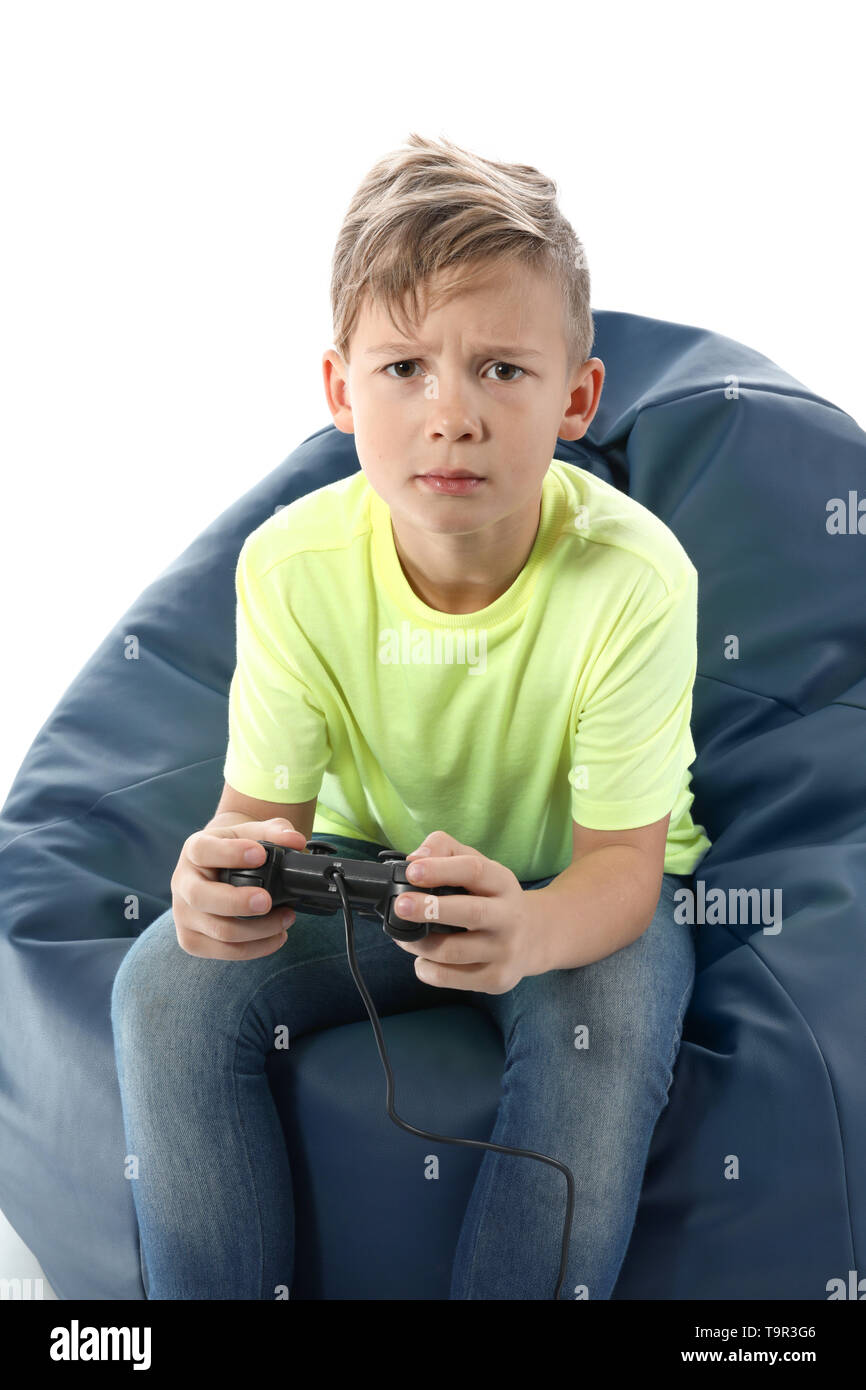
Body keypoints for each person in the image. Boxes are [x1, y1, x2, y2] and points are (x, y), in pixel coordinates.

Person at [110, 131, 712, 1301]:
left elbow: (623, 866)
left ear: (575, 397)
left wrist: (529, 935)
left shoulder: (635, 577)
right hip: (373, 874)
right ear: (339, 389)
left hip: (573, 894)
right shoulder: (291, 564)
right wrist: (222, 883)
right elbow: (264, 825)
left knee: (603, 1041)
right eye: (403, 370)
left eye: (499, 369)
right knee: (163, 987)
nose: (451, 415)